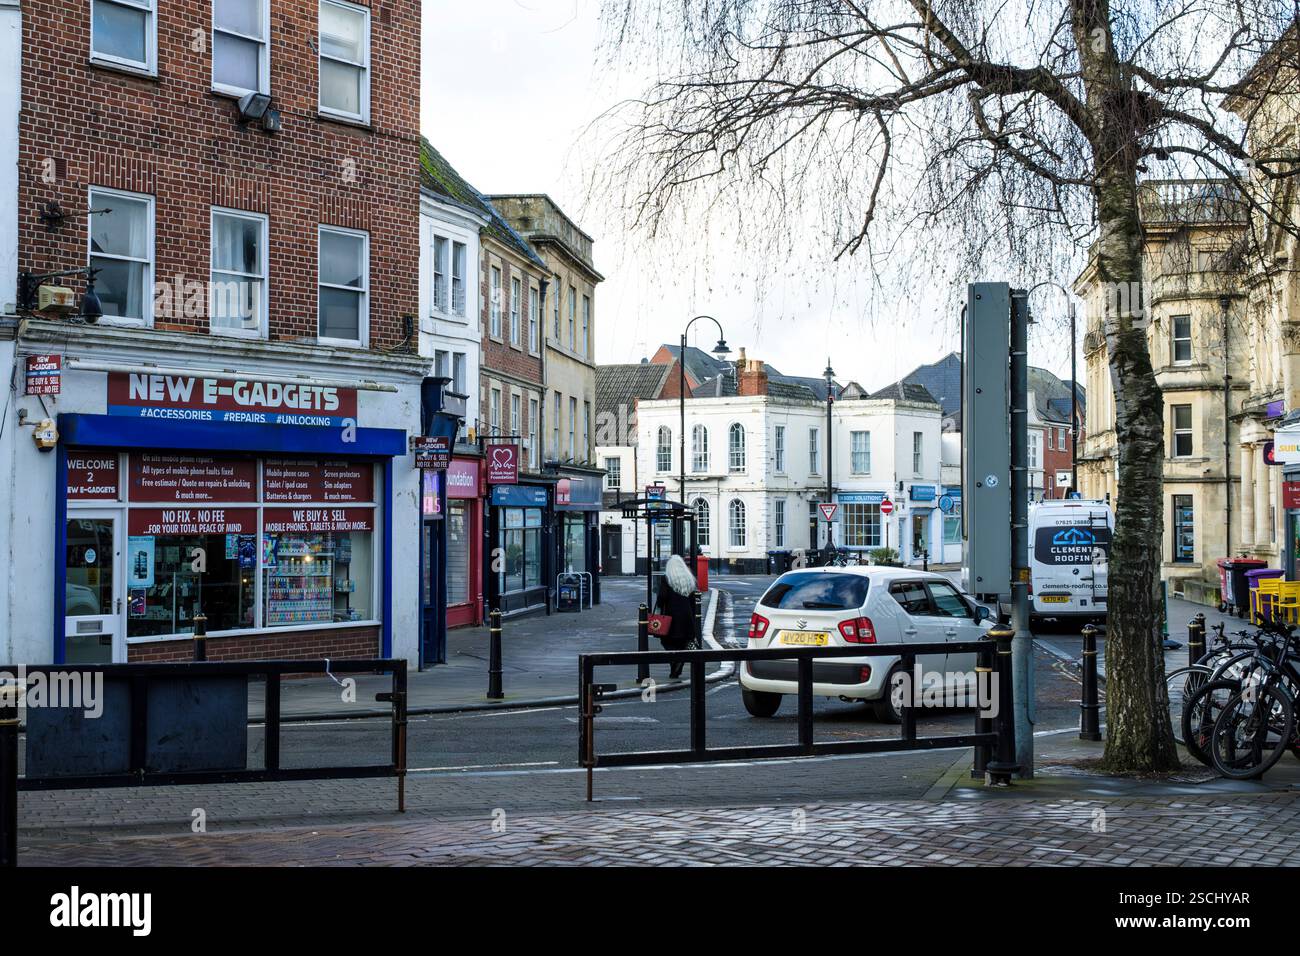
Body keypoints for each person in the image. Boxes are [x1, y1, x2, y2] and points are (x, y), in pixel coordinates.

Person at [654, 554, 698, 679]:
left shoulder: (667, 579)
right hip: (687, 617)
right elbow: (693, 601)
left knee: (667, 642)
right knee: (683, 643)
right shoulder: (689, 578)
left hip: (671, 617)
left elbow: (662, 597)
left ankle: (675, 663)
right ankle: (678, 664)